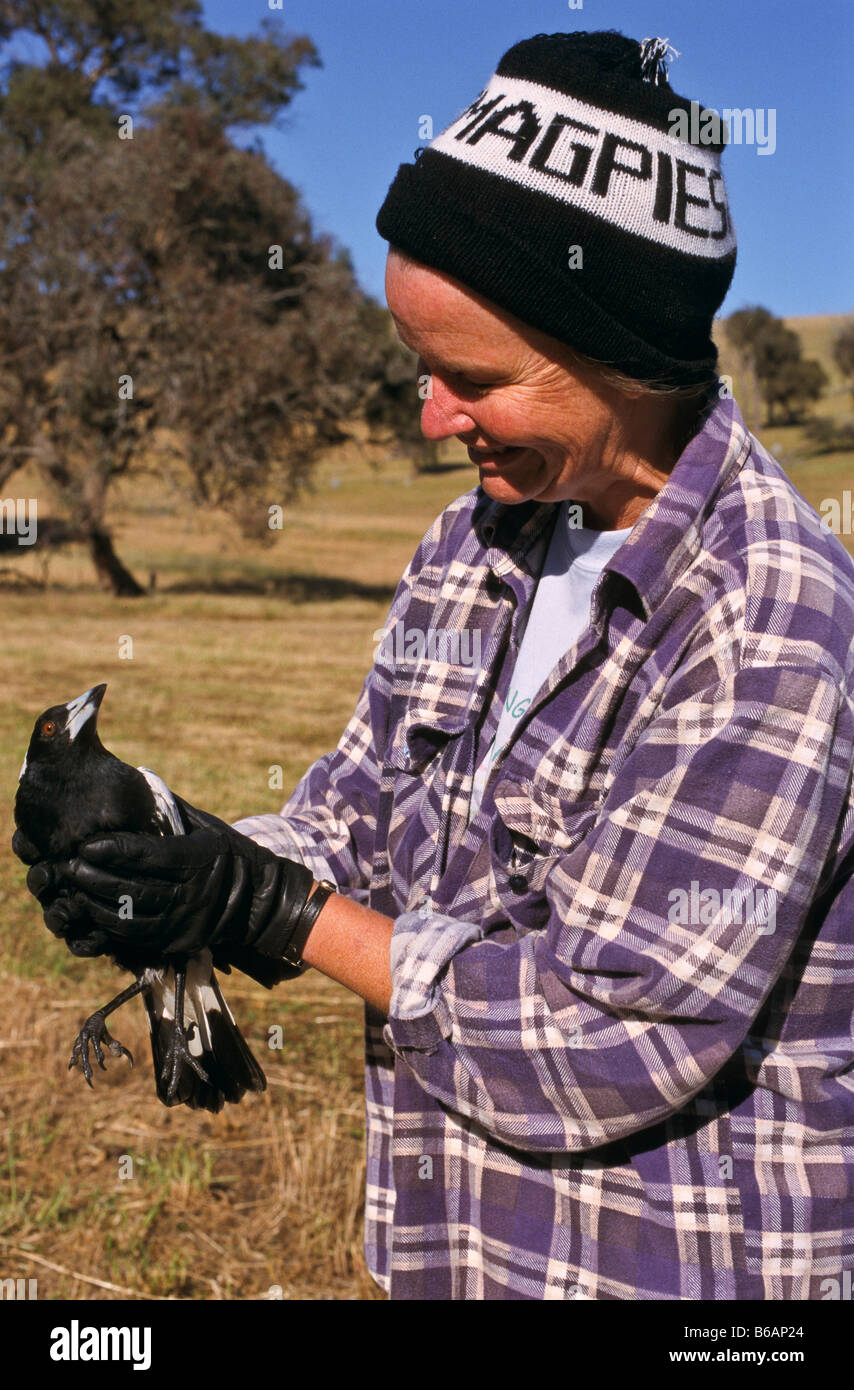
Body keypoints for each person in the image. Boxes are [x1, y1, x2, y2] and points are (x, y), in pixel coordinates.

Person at [20, 30, 854, 1301]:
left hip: (669, 1271)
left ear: (618, 355)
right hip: (460, 1248)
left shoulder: (766, 616)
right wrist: (179, 856)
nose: (428, 417)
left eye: (471, 378)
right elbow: (357, 813)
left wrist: (272, 912)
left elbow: (613, 1032)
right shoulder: (474, 539)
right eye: (420, 368)